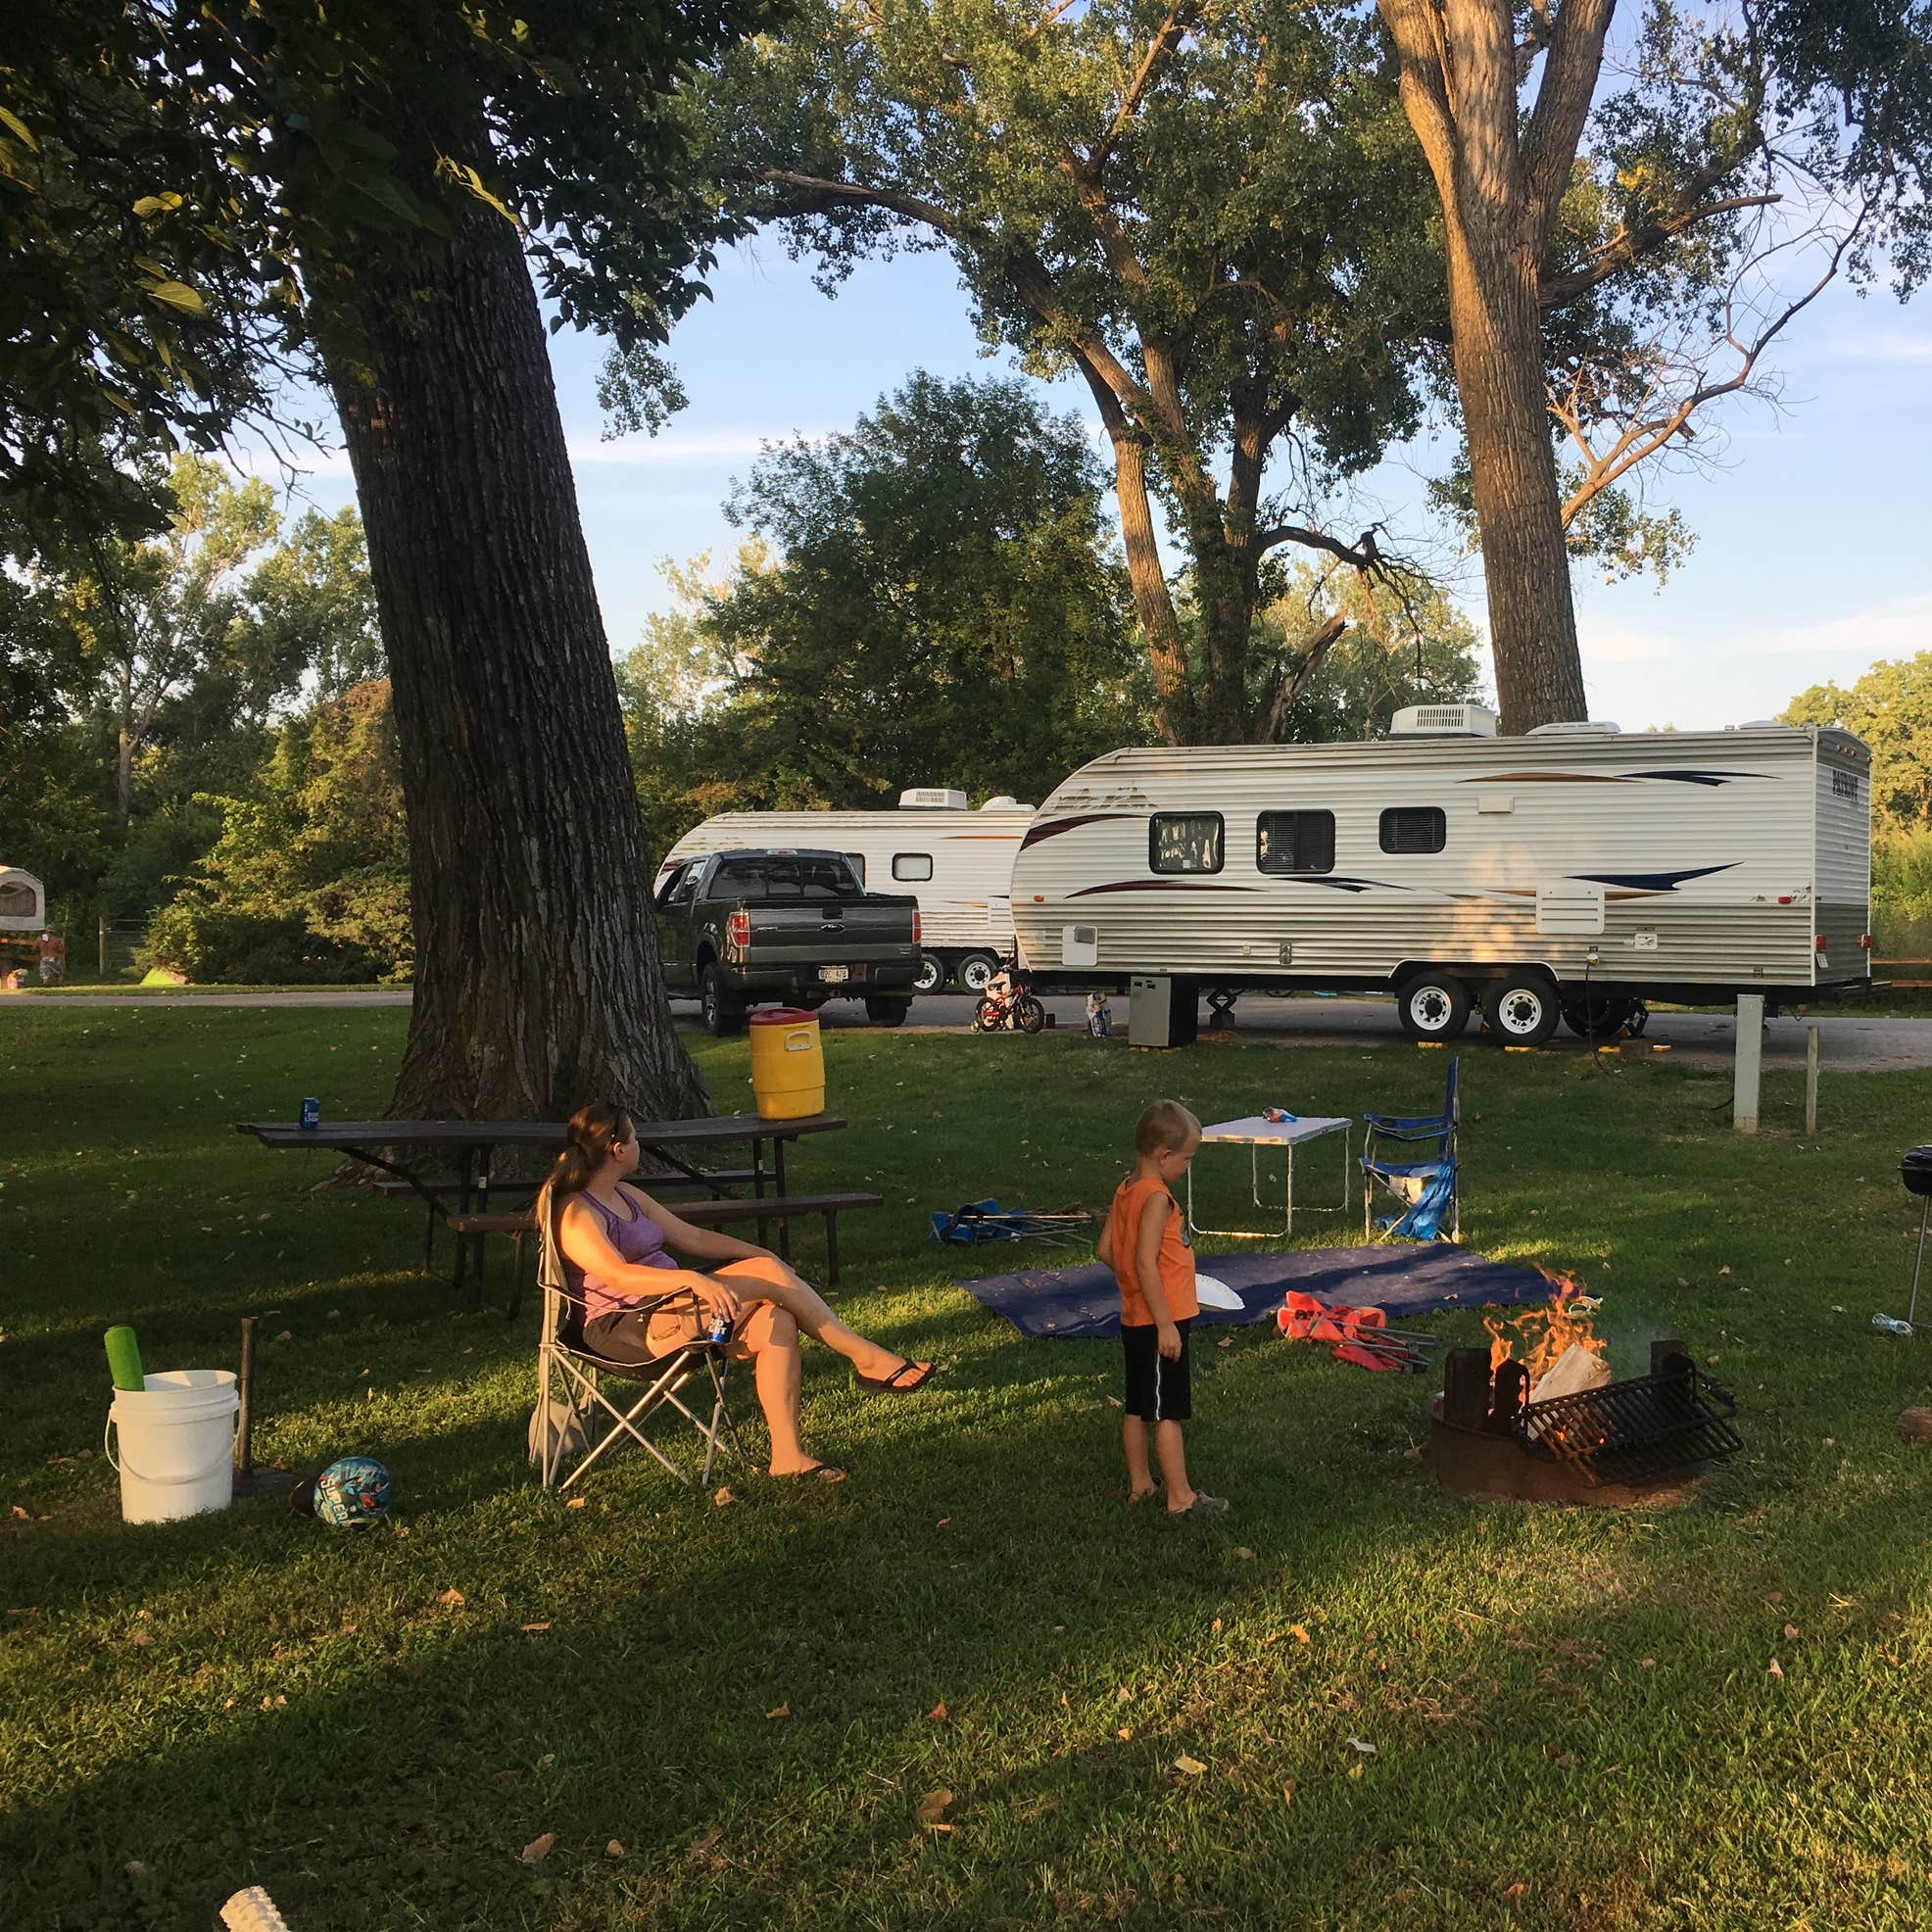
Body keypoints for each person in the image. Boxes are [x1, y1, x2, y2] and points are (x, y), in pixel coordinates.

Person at [541, 1102, 934, 1481]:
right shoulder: (577, 1213)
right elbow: (620, 1276)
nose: (639, 1144)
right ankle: (867, 1358)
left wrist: (761, 1253)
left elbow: (693, 1238)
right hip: (626, 1331)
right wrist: (692, 1280)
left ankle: (787, 1457)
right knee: (765, 1274)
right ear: (618, 1150)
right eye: (635, 1138)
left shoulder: (628, 1195)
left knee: (776, 1319)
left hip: (672, 1310)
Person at [1094, 1099, 1228, 1518]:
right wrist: (1166, 1323)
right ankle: (1180, 1498)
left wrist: (1136, 1291)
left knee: (1137, 1406)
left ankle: (1141, 1485)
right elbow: (1144, 1262)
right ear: (1164, 1155)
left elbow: (1106, 1250)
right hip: (1160, 1322)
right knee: (1168, 1410)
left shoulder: (1126, 1188)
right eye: (1186, 1160)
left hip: (1135, 1317)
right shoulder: (1156, 1198)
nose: (1187, 1167)